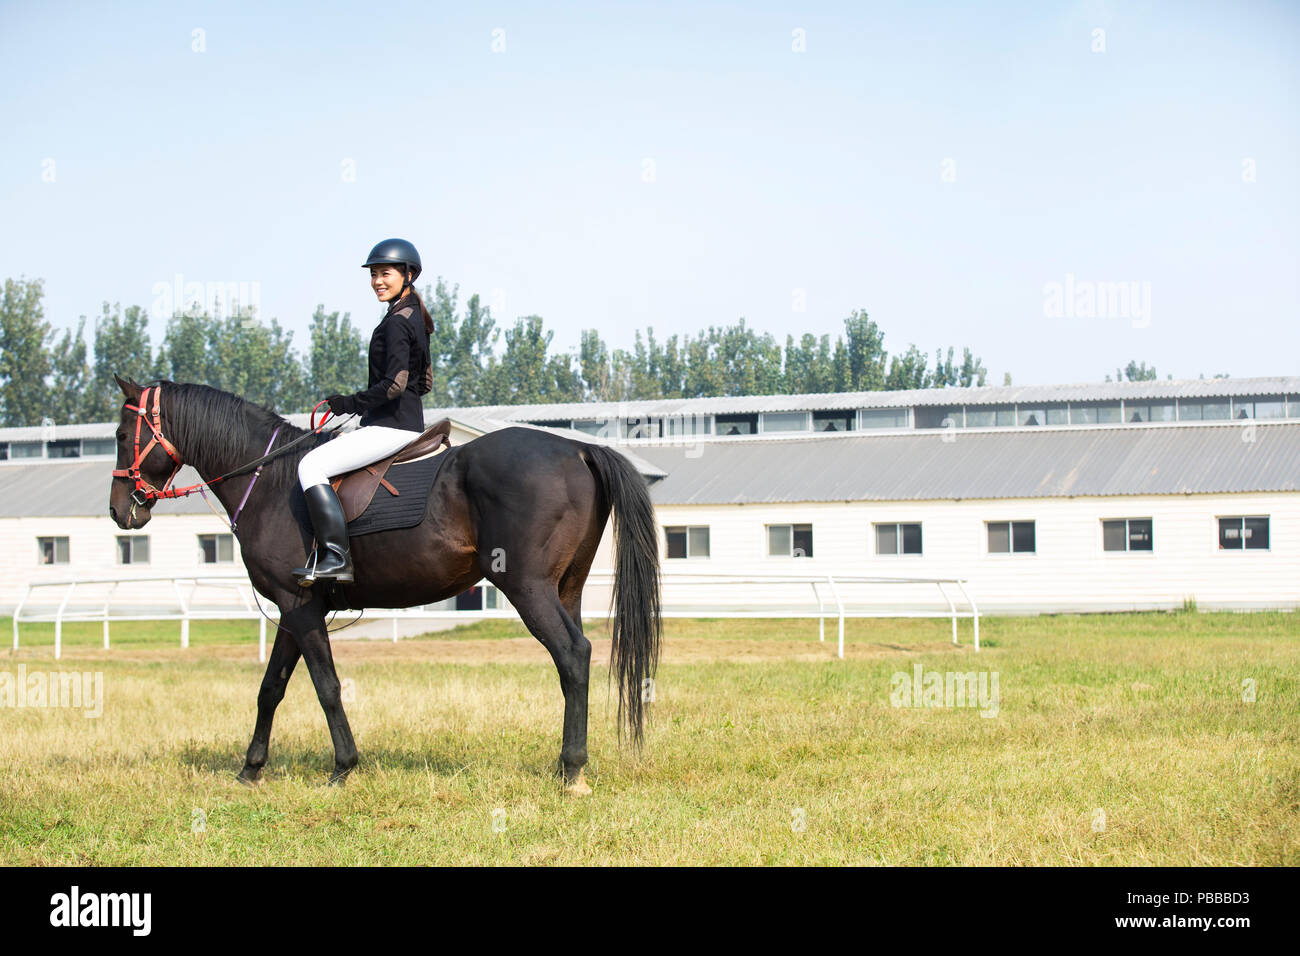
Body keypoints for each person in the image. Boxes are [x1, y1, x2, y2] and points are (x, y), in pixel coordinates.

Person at [292, 238, 434, 586]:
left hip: (392, 428)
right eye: (373, 275)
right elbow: (425, 383)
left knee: (310, 466)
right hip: (405, 423)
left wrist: (348, 404)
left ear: (408, 274)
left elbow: (395, 386)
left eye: (385, 273)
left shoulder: (398, 322)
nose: (377, 282)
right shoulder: (415, 316)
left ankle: (336, 557)